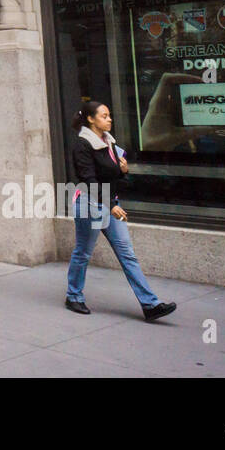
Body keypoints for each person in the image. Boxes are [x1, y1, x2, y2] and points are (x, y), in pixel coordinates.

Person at [65, 101, 176, 322]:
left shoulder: (109, 143)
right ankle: (73, 296)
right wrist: (111, 205)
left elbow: (115, 177)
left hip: (109, 203)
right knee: (83, 253)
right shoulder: (83, 145)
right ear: (91, 119)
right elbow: (88, 180)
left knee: (127, 254)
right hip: (90, 204)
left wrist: (123, 171)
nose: (109, 119)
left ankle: (150, 305)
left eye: (109, 116)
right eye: (104, 116)